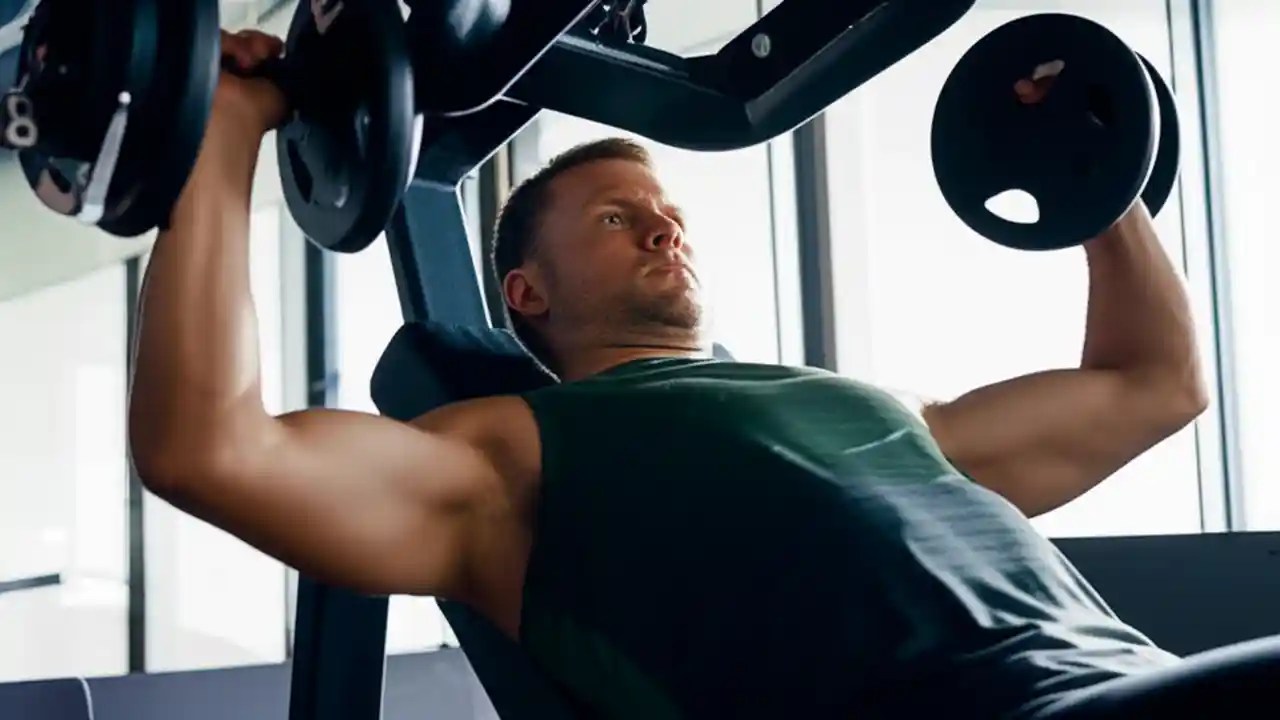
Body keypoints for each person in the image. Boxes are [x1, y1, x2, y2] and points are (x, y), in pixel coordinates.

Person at [129, 30, 1278, 719]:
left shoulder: (874, 411)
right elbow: (209, 449)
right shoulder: (499, 457)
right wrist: (224, 130)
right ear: (524, 293)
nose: (664, 231)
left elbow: (1151, 384)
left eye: (671, 215)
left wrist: (1092, 181)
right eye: (620, 217)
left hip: (1134, 685)